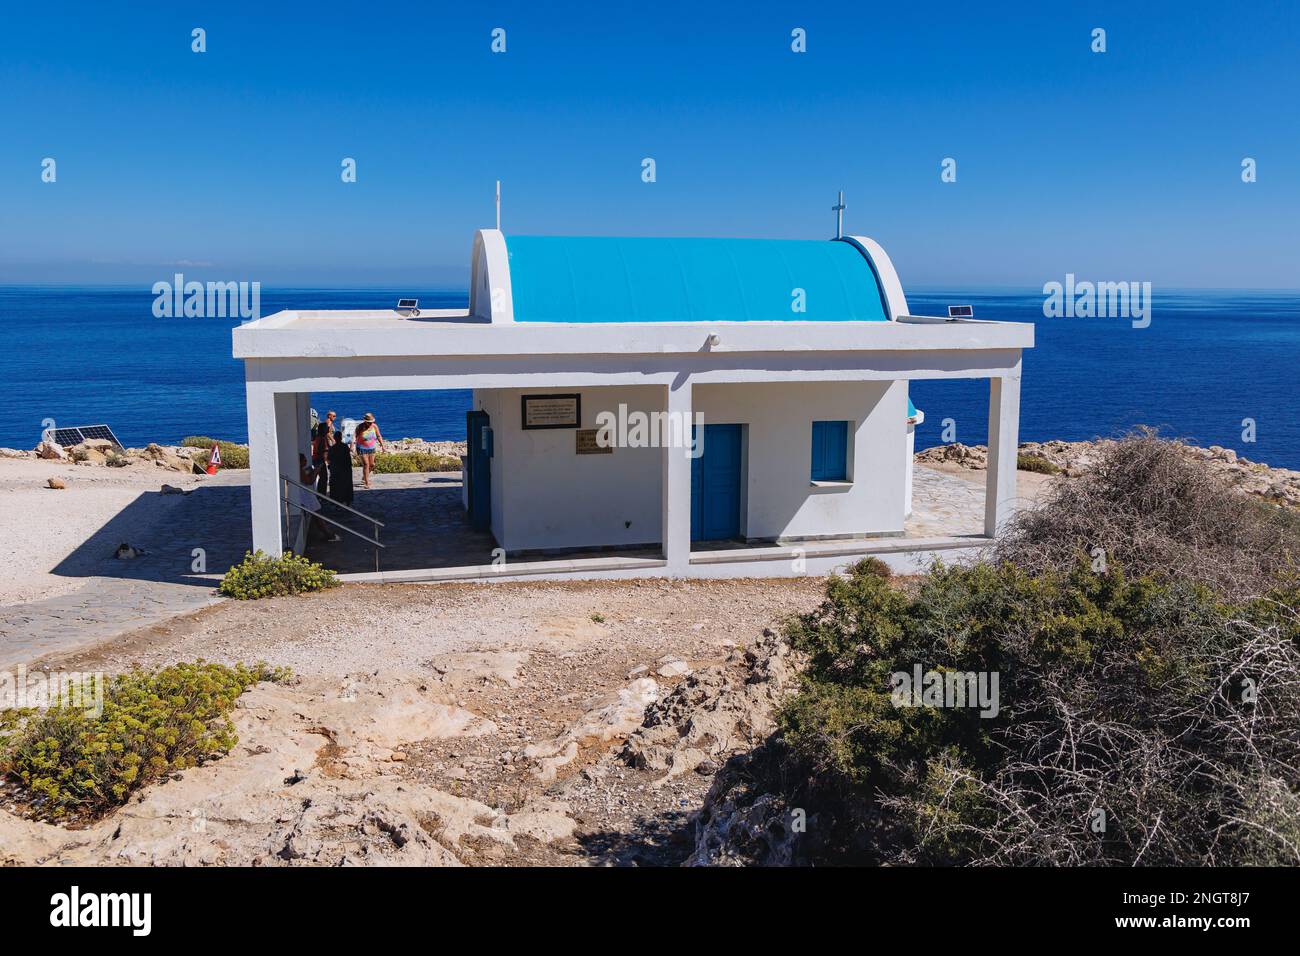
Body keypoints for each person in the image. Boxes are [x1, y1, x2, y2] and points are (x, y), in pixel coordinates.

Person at [297, 453, 339, 543]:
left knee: (317, 515)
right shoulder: (299, 470)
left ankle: (327, 533)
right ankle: (328, 533)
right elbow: (309, 481)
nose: (306, 461)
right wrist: (316, 471)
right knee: (317, 514)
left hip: (305, 493)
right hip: (304, 494)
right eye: (304, 460)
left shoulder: (301, 469)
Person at [354, 412, 385, 489]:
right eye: (369, 422)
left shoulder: (374, 426)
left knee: (372, 465)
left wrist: (382, 445)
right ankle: (366, 482)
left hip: (372, 448)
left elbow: (378, 436)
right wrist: (352, 446)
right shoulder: (360, 427)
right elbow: (354, 437)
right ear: (365, 421)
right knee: (366, 464)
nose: (371, 423)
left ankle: (364, 477)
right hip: (361, 448)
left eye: (372, 422)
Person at [327, 429, 354, 506]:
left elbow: (329, 459)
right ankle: (347, 500)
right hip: (344, 469)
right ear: (341, 438)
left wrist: (331, 467)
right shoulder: (345, 447)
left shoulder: (332, 448)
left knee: (336, 486)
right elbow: (348, 458)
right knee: (346, 485)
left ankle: (336, 501)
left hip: (336, 469)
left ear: (335, 438)